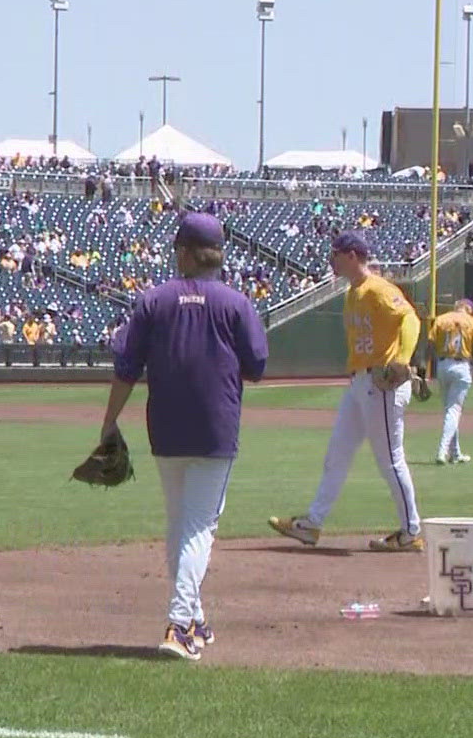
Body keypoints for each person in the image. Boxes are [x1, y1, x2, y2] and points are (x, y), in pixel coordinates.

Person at [97, 213, 268, 661]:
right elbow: (258, 366)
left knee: (180, 526)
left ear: (187, 252)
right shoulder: (235, 303)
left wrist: (109, 422)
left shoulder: (154, 301)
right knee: (197, 527)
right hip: (214, 427)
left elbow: (125, 368)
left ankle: (193, 617)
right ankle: (178, 626)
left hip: (166, 428)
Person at [268, 231, 425, 552]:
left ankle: (411, 531)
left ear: (352, 256)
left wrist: (402, 359)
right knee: (337, 454)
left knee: (391, 460)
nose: (332, 260)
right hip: (360, 383)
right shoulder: (353, 294)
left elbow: (410, 319)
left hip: (382, 383)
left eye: (336, 254)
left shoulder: (378, 289)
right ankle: (312, 524)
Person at [427, 297, 473, 463]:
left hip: (443, 365)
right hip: (461, 366)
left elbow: (430, 345)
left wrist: (424, 368)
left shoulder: (441, 319)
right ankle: (442, 451)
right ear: (468, 309)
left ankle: (455, 453)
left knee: (449, 412)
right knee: (453, 411)